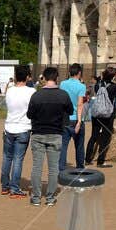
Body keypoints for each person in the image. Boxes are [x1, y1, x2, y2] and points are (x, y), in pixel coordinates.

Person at [26, 67, 73, 207]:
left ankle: (36, 197)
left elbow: (29, 114)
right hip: (55, 134)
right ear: (57, 78)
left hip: (38, 133)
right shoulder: (63, 95)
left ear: (44, 78)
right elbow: (70, 110)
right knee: (53, 169)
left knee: (37, 167)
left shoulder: (37, 95)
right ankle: (50, 198)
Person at [0, 64, 34, 199]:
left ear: (15, 76)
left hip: (9, 127)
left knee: (7, 157)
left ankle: (5, 186)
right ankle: (14, 188)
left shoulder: (10, 91)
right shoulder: (31, 91)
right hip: (23, 128)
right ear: (27, 77)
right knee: (18, 159)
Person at [84, 67, 116, 167]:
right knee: (105, 138)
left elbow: (98, 86)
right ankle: (100, 161)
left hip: (97, 113)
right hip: (108, 114)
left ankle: (88, 159)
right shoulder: (113, 87)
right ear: (113, 76)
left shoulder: (98, 85)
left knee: (94, 136)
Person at [58, 64, 87, 170]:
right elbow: (80, 104)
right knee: (79, 145)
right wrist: (79, 121)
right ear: (79, 73)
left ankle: (61, 168)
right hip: (76, 118)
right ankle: (80, 168)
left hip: (65, 118)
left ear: (70, 72)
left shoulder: (62, 84)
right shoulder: (81, 86)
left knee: (63, 146)